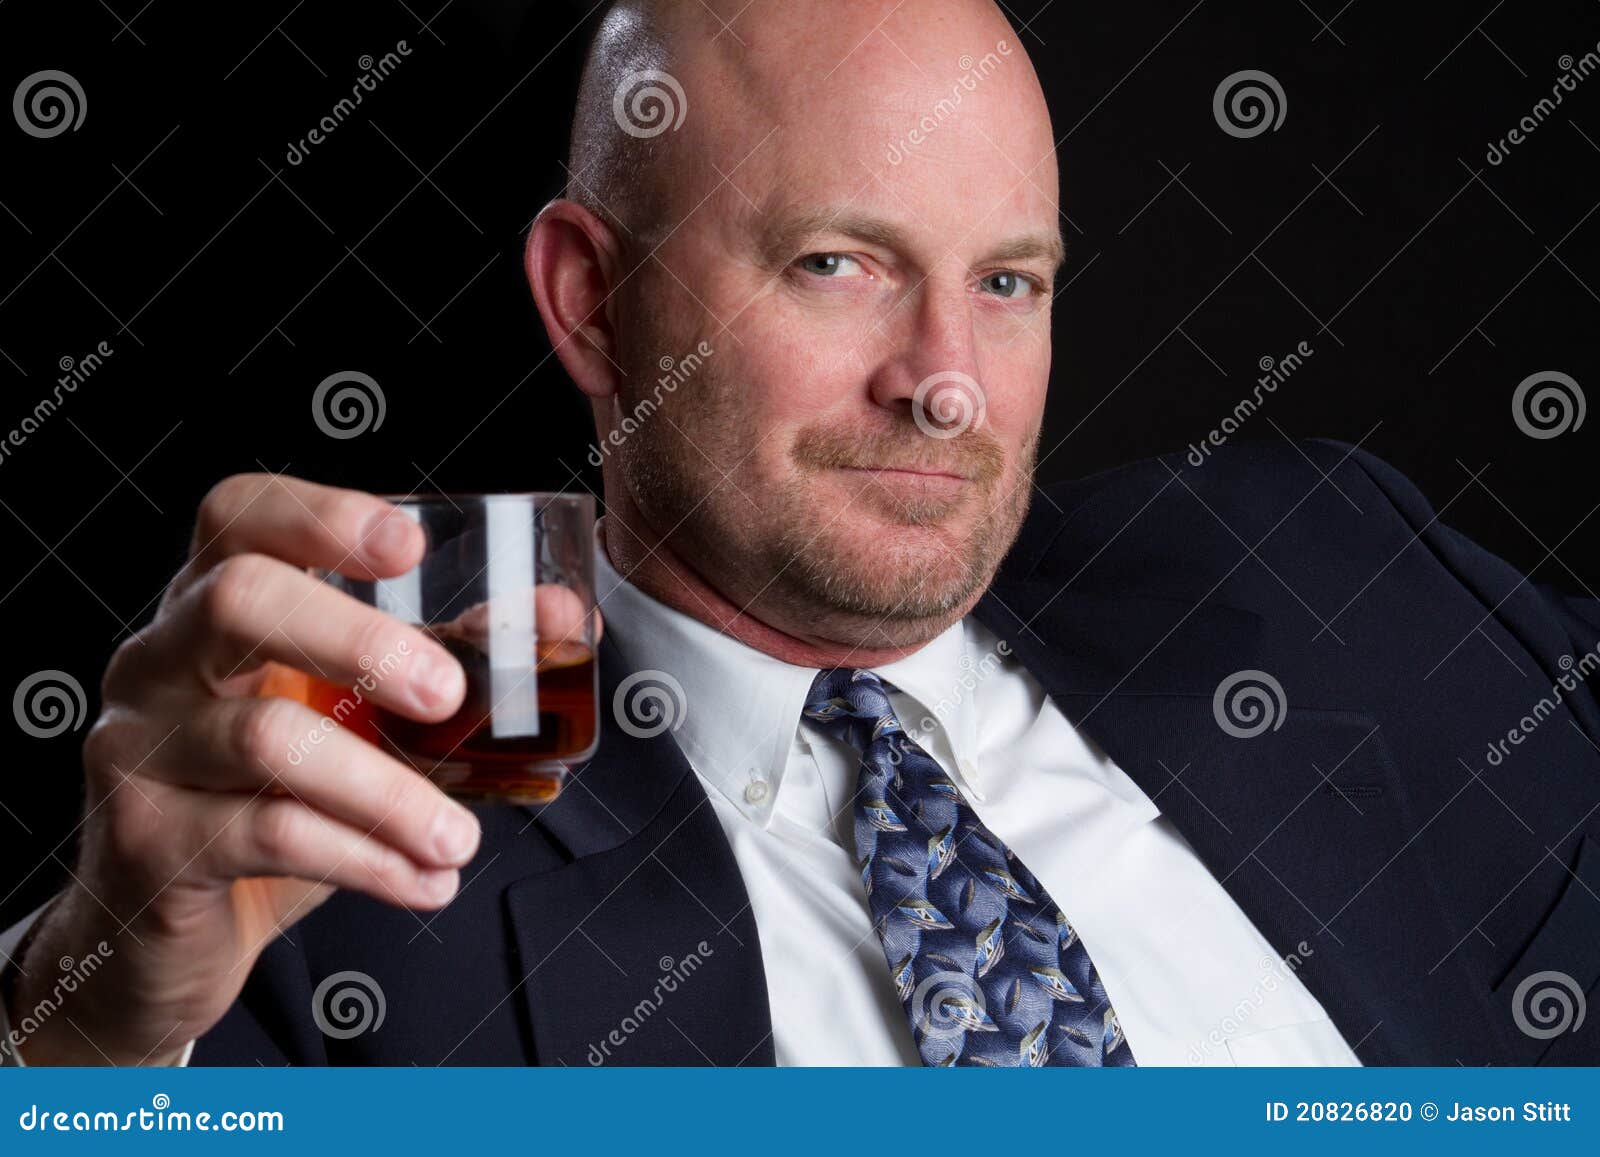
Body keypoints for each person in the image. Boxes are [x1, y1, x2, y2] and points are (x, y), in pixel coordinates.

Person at [3, 0, 1597, 1068]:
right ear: (592, 299)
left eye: (1008, 282)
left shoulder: (1317, 558)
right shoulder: (342, 852)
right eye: (839, 263)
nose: (948, 388)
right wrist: (78, 1029)